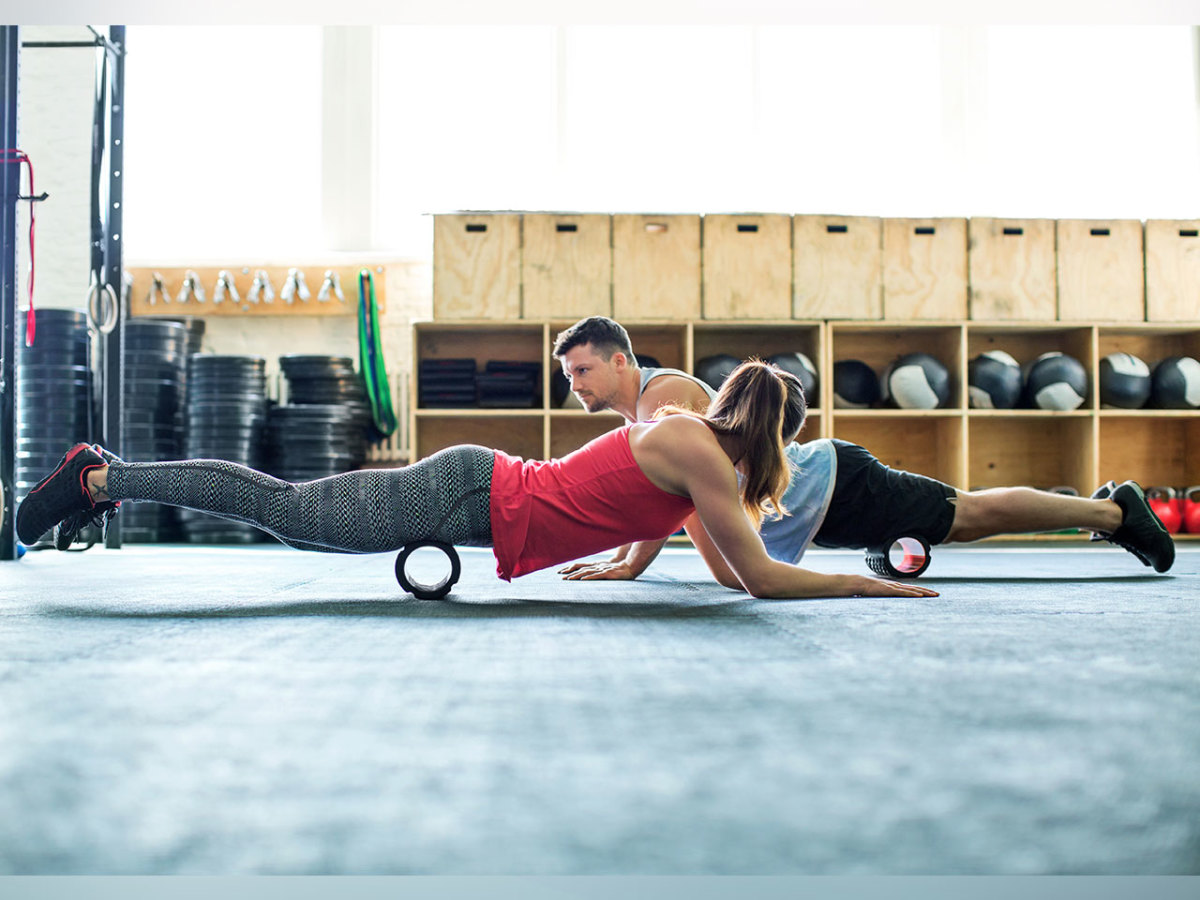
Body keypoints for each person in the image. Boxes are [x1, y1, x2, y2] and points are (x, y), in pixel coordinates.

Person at [16, 361, 944, 600]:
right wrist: (865, 585)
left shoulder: (686, 440)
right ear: (769, 434)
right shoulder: (699, 447)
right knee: (288, 511)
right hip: (472, 496)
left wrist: (625, 565)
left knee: (290, 511)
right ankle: (104, 478)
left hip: (480, 499)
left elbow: (700, 544)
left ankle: (108, 480)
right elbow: (758, 576)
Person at [551, 316, 1175, 578]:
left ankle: (1114, 512)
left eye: (581, 371)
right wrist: (633, 559)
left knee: (970, 514)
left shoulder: (666, 398)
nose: (573, 384)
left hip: (835, 488)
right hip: (821, 503)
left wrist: (633, 561)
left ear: (618, 361)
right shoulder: (641, 410)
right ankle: (1107, 511)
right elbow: (670, 495)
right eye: (568, 375)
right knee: (964, 515)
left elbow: (680, 492)